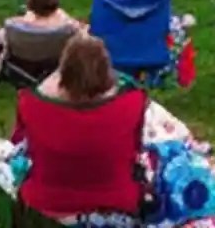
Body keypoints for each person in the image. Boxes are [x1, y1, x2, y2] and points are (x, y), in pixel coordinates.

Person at [14, 35, 147, 220]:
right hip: (115, 206)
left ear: (63, 71)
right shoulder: (134, 102)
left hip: (45, 206)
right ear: (106, 70)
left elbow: (18, 145)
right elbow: (138, 147)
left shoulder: (29, 103)